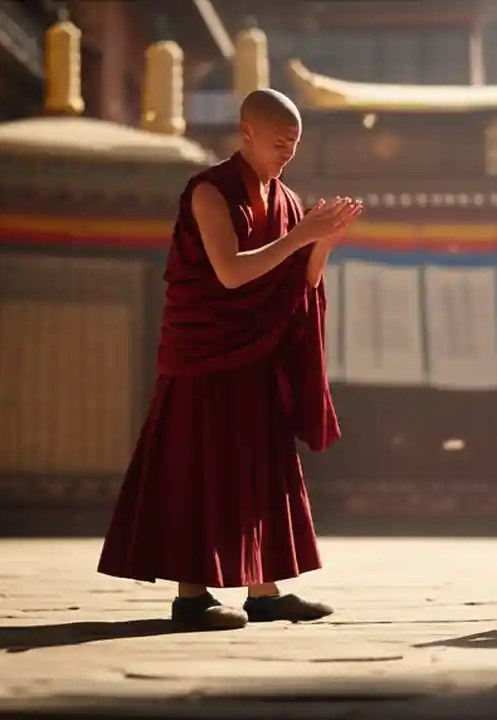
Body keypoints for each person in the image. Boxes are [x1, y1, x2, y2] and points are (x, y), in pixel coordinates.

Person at [97, 89, 363, 631]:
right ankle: (190, 597)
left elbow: (300, 285)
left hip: (258, 356)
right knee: (196, 469)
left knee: (262, 470)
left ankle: (263, 592)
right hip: (205, 356)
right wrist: (301, 236)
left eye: (295, 144)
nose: (288, 153)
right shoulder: (209, 191)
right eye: (279, 142)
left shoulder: (286, 199)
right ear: (246, 132)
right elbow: (230, 272)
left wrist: (324, 243)